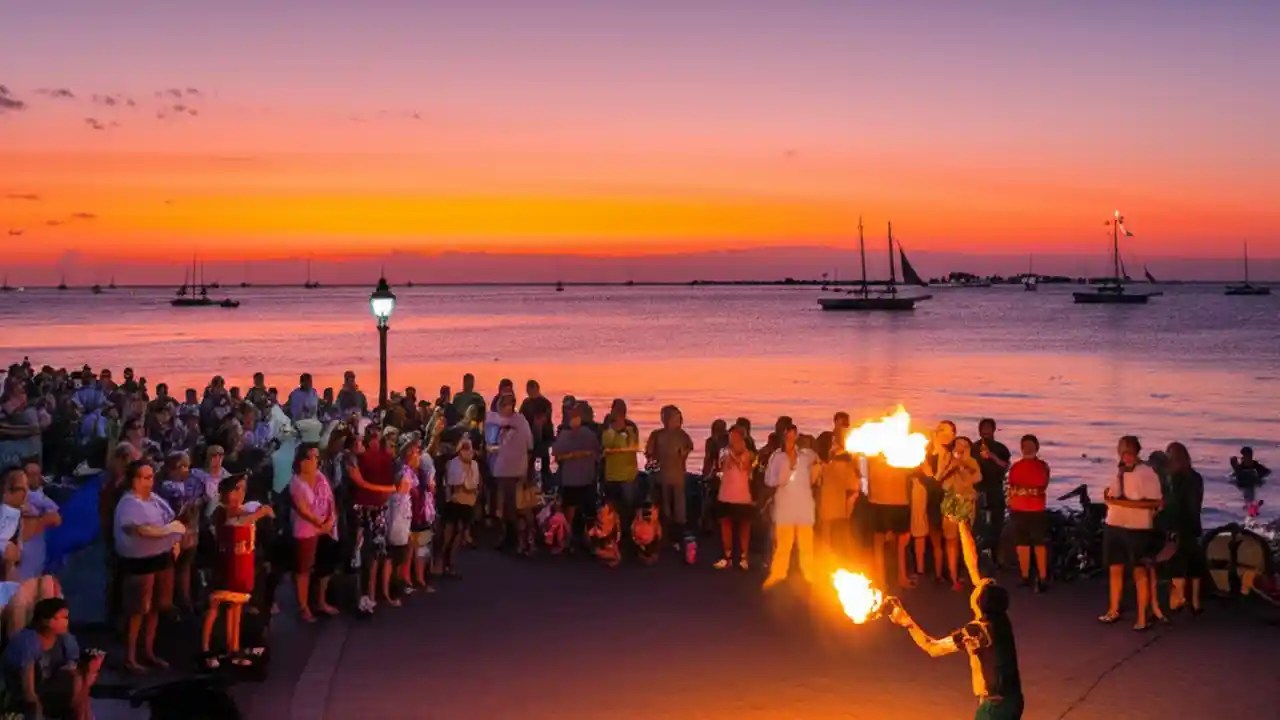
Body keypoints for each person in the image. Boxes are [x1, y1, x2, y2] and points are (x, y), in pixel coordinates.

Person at [889, 522, 1024, 720]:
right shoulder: (1001, 620)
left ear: (979, 602)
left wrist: (907, 622)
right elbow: (973, 565)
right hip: (1014, 701)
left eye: (979, 588)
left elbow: (932, 647)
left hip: (994, 708)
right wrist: (962, 525)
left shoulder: (975, 633)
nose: (977, 585)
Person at [113, 460, 185, 672]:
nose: (148, 482)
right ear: (133, 480)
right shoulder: (128, 504)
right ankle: (130, 656)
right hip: (139, 563)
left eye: (151, 477)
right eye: (143, 477)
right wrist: (168, 530)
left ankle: (149, 651)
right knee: (137, 610)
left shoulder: (156, 500)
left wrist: (175, 539)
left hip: (161, 559)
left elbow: (172, 521)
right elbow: (139, 530)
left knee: (155, 608)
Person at [202, 474, 274, 669]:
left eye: (242, 489)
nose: (240, 493)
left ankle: (233, 647)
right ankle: (206, 648)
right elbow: (239, 520)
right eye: (236, 489)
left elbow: (247, 515)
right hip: (224, 564)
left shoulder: (241, 510)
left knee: (236, 606)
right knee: (215, 606)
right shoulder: (222, 511)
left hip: (240, 565)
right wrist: (261, 513)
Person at [1098, 436, 1165, 631]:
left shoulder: (1147, 473)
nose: (1125, 456)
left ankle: (1143, 616)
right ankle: (1113, 609)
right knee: (1115, 567)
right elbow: (1110, 495)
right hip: (1115, 523)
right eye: (1122, 452)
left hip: (1137, 527)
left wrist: (1125, 504)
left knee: (1139, 570)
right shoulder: (1118, 471)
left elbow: (1156, 502)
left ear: (1136, 452)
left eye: (1129, 452)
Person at [2, 597, 102, 720]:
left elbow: (75, 678)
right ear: (46, 621)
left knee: (81, 689)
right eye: (62, 618)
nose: (66, 622)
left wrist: (88, 673)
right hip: (20, 697)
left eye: (67, 618)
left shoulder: (66, 640)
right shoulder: (28, 642)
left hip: (48, 688)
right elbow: (28, 693)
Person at [762, 422, 820, 590]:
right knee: (783, 545)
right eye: (788, 434)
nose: (790, 437)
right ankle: (777, 575)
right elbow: (768, 479)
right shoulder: (776, 457)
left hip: (804, 506)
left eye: (793, 434)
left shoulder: (806, 456)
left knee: (806, 545)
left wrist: (817, 467)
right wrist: (781, 479)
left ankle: (810, 575)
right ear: (784, 436)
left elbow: (817, 466)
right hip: (785, 507)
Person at [350, 427, 397, 616]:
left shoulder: (365, 459)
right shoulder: (378, 459)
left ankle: (367, 596)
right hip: (370, 511)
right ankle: (367, 596)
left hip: (369, 511)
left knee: (367, 555)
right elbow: (387, 487)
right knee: (369, 555)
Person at [289, 444, 339, 623]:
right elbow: (302, 509)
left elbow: (330, 499)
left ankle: (321, 601)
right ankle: (304, 606)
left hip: (326, 527)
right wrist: (320, 524)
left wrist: (331, 520)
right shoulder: (296, 482)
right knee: (304, 569)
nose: (317, 461)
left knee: (324, 566)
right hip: (306, 530)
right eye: (312, 457)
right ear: (302, 461)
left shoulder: (320, 476)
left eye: (317, 457)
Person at [155, 451, 204, 613]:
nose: (186, 470)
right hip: (173, 537)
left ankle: (185, 601)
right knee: (170, 571)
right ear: (170, 468)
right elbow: (176, 509)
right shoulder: (166, 487)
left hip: (190, 535)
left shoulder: (192, 483)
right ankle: (167, 606)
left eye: (187, 466)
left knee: (185, 569)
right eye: (181, 466)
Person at [486, 394, 534, 548]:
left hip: (514, 469)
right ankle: (509, 537)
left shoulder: (517, 421)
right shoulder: (520, 421)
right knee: (505, 507)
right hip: (504, 469)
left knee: (514, 507)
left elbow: (529, 446)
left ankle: (517, 539)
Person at [1163, 442, 1205, 615]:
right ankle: (1195, 602)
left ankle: (1178, 598)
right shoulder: (1196, 477)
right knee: (1195, 564)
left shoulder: (1175, 478)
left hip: (1179, 526)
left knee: (1177, 562)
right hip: (1194, 524)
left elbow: (1174, 505)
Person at [552, 402, 600, 548]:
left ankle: (581, 539)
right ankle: (570, 538)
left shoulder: (588, 434)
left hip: (582, 477)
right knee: (575, 510)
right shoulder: (568, 434)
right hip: (575, 478)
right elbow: (557, 455)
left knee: (584, 511)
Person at [1007, 435, 1050, 591]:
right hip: (1019, 509)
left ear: (1037, 447)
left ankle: (1043, 576)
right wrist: (1024, 492)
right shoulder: (1016, 467)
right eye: (1025, 445)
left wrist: (1022, 490)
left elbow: (1041, 486)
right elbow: (1011, 487)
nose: (1027, 448)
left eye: (1030, 445)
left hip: (1036, 510)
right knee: (1022, 543)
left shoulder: (1042, 466)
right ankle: (1025, 575)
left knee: (1039, 543)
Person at [645, 405, 694, 544]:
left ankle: (679, 531)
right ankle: (665, 531)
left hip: (678, 474)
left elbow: (689, 446)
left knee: (679, 505)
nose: (679, 420)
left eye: (679, 417)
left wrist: (684, 453)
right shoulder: (657, 434)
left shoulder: (682, 434)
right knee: (665, 504)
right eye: (676, 418)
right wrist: (652, 458)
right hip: (662, 475)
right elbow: (649, 452)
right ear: (666, 419)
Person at [940, 437, 983, 592]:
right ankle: (954, 577)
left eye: (965, 445)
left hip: (966, 502)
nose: (961, 448)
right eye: (958, 445)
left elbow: (976, 478)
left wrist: (963, 467)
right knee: (951, 540)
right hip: (950, 503)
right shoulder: (947, 461)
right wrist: (952, 467)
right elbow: (940, 480)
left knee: (967, 540)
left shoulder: (971, 462)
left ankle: (974, 577)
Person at [434, 438, 480, 578]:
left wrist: (467, 485)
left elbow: (473, 484)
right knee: (449, 533)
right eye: (464, 448)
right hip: (453, 503)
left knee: (459, 534)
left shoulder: (474, 465)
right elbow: (457, 483)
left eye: (469, 447)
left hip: (468, 503)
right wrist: (465, 485)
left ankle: (451, 564)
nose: (468, 451)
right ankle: (439, 563)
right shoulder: (453, 464)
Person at [816, 412, 859, 557]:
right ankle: (825, 552)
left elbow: (857, 464)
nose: (843, 427)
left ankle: (845, 552)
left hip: (849, 482)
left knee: (846, 520)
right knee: (827, 519)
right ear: (835, 423)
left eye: (846, 424)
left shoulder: (853, 440)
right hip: (831, 481)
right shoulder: (828, 438)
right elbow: (822, 458)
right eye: (841, 424)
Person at [714, 425, 755, 570]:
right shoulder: (724, 452)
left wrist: (735, 454)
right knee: (726, 525)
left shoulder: (748, 454)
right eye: (731, 437)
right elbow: (719, 467)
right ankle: (727, 557)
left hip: (742, 496)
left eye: (736, 437)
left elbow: (745, 466)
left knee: (744, 527)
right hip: (725, 494)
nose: (732, 440)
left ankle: (744, 558)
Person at [974, 419, 1012, 565]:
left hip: (995, 488)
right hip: (978, 489)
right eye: (983, 428)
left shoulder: (1001, 448)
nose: (985, 431)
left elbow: (1006, 467)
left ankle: (996, 556)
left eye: (988, 428)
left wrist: (992, 457)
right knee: (978, 524)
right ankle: (977, 556)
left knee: (997, 523)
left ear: (994, 430)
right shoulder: (973, 447)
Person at [18, 460, 61, 582]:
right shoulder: (22, 496)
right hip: (25, 550)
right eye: (31, 474)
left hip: (39, 549)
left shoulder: (39, 494)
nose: (35, 477)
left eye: (37, 473)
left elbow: (55, 515)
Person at [601, 402, 641, 525]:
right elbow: (604, 444)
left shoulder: (630, 427)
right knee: (611, 506)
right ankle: (612, 530)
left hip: (627, 474)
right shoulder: (607, 426)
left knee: (628, 506)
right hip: (612, 473)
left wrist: (621, 430)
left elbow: (632, 443)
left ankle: (627, 531)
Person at [587, 500, 621, 567]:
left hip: (608, 536)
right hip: (602, 536)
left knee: (600, 550)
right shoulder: (599, 520)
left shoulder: (612, 521)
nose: (599, 514)